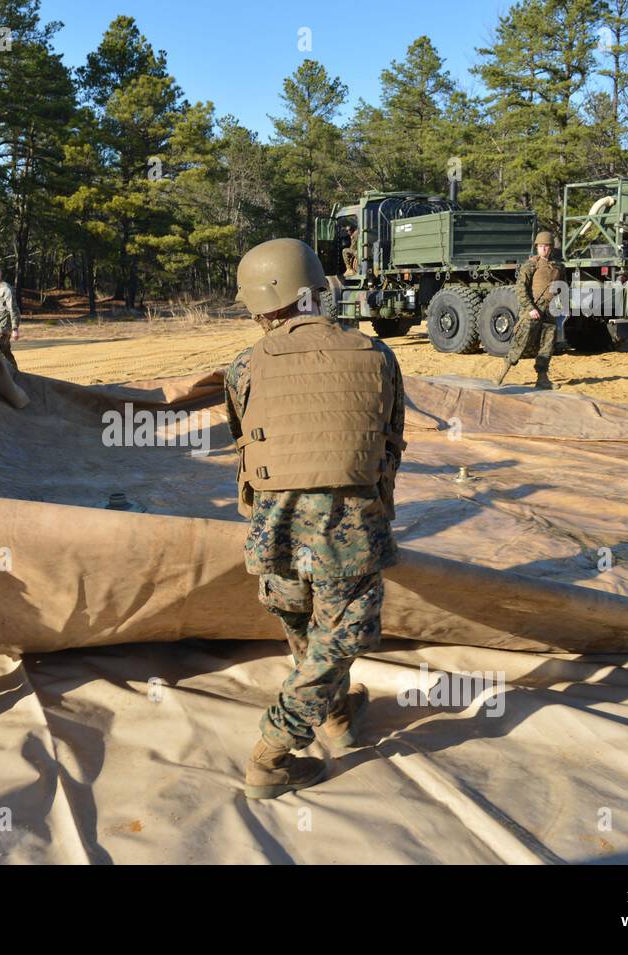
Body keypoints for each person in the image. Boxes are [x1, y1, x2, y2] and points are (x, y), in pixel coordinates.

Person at [226, 238, 406, 800]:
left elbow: (244, 446)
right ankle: (273, 752)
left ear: (260, 305)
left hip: (274, 528)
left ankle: (334, 713)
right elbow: (391, 444)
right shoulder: (377, 355)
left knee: (307, 629)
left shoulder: (244, 366)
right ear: (319, 290)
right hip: (350, 526)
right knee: (338, 636)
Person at [494, 230, 563, 389]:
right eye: (541, 246)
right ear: (537, 248)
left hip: (550, 312)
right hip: (533, 310)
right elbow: (521, 288)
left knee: (547, 346)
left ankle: (542, 379)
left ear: (551, 248)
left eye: (546, 246)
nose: (544, 249)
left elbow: (562, 287)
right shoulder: (531, 265)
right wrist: (530, 308)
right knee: (521, 343)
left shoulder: (558, 267)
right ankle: (502, 373)